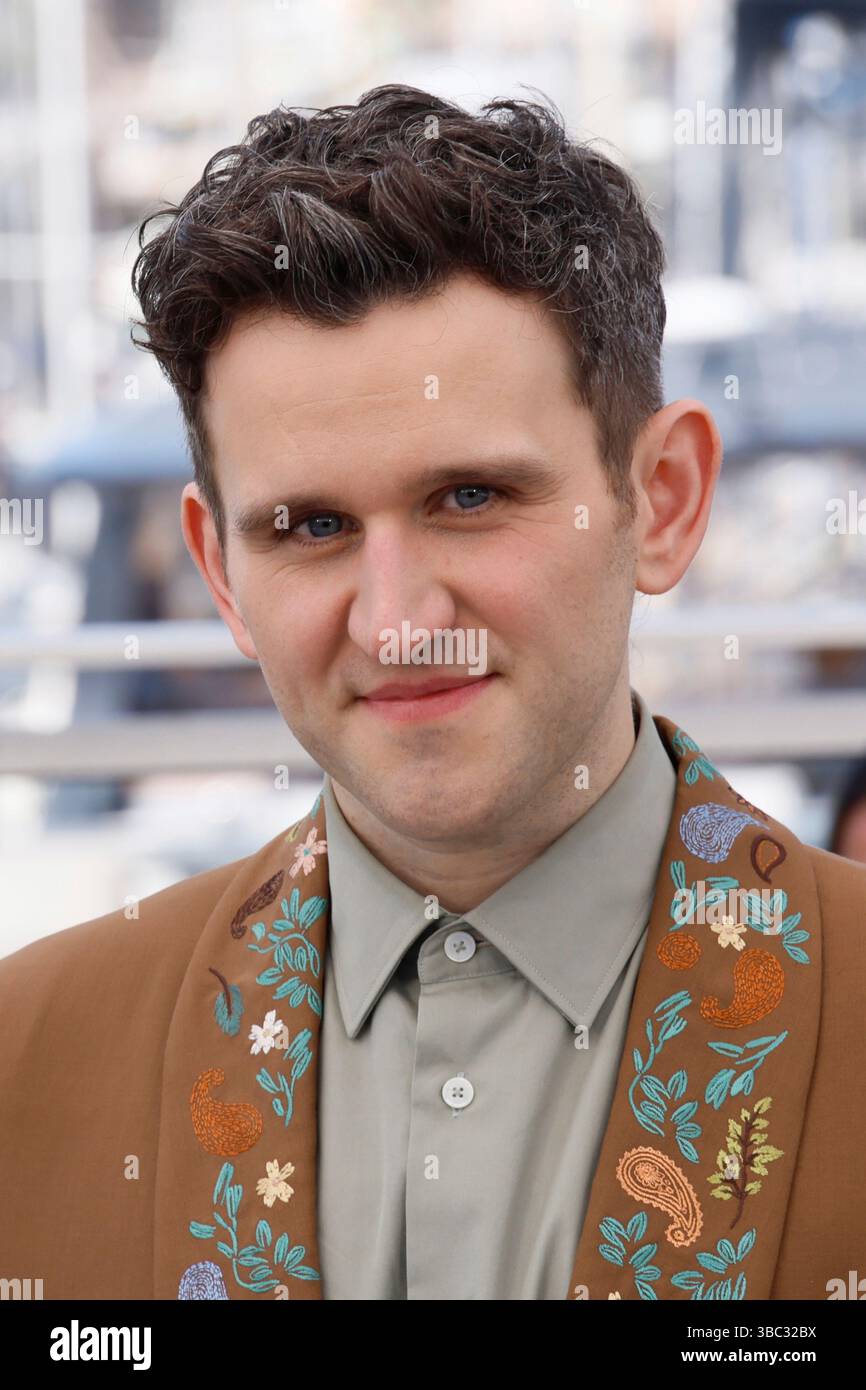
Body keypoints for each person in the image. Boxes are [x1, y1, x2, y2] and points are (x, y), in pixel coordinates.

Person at [1, 84, 864, 1303]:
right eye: (309, 527)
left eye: (469, 499)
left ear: (660, 500)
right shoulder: (23, 1065)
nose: (397, 620)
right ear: (221, 574)